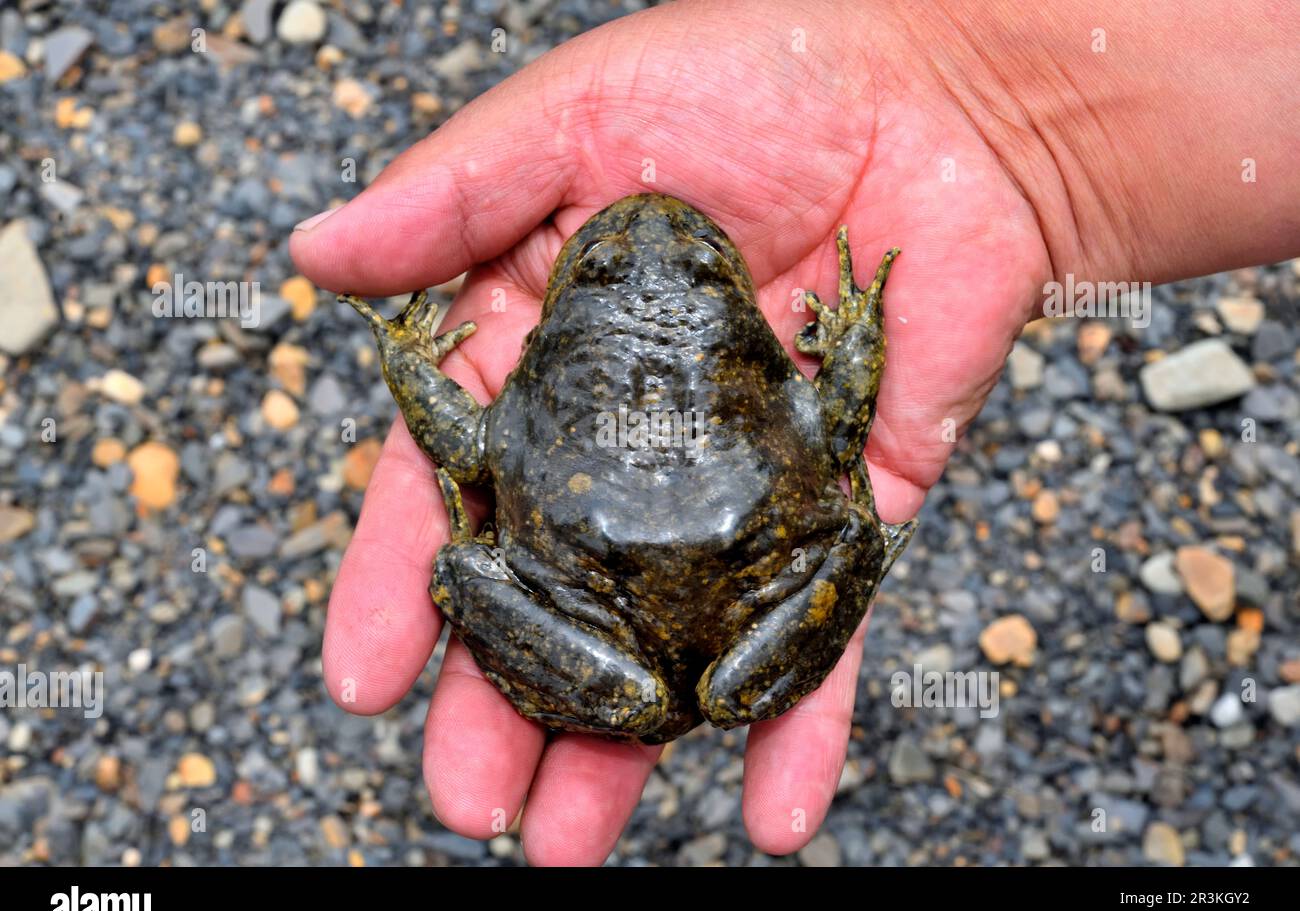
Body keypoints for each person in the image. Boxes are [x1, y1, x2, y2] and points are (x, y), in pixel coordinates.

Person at [289, 0, 1300, 865]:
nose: (648, 242)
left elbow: (459, 443)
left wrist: (405, 353)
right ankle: (665, 678)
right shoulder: (774, 397)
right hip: (716, 619)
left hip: (615, 626)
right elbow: (843, 401)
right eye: (604, 274)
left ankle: (623, 684)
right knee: (850, 533)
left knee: (462, 571)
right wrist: (853, 323)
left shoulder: (519, 411)